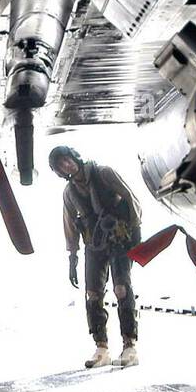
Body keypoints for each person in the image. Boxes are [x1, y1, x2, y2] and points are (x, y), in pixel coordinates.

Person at [49, 145, 142, 368]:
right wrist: (72, 257)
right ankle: (102, 348)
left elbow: (131, 200)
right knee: (92, 295)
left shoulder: (104, 173)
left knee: (121, 289)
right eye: (61, 165)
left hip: (120, 240)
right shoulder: (70, 193)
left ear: (74, 157)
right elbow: (69, 224)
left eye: (67, 159)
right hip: (94, 244)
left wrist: (135, 238)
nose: (66, 165)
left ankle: (130, 346)